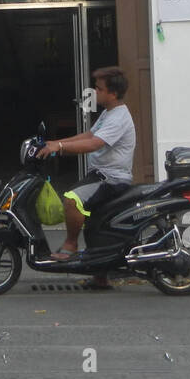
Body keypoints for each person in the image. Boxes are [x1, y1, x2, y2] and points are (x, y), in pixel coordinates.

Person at [35, 65, 135, 288]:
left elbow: (94, 143)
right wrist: (56, 143)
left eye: (99, 89)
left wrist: (59, 147)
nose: (95, 92)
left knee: (72, 200)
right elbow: (89, 134)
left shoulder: (118, 118)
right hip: (101, 175)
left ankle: (70, 245)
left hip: (111, 178)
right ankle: (100, 276)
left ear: (113, 93)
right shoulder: (110, 113)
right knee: (94, 223)